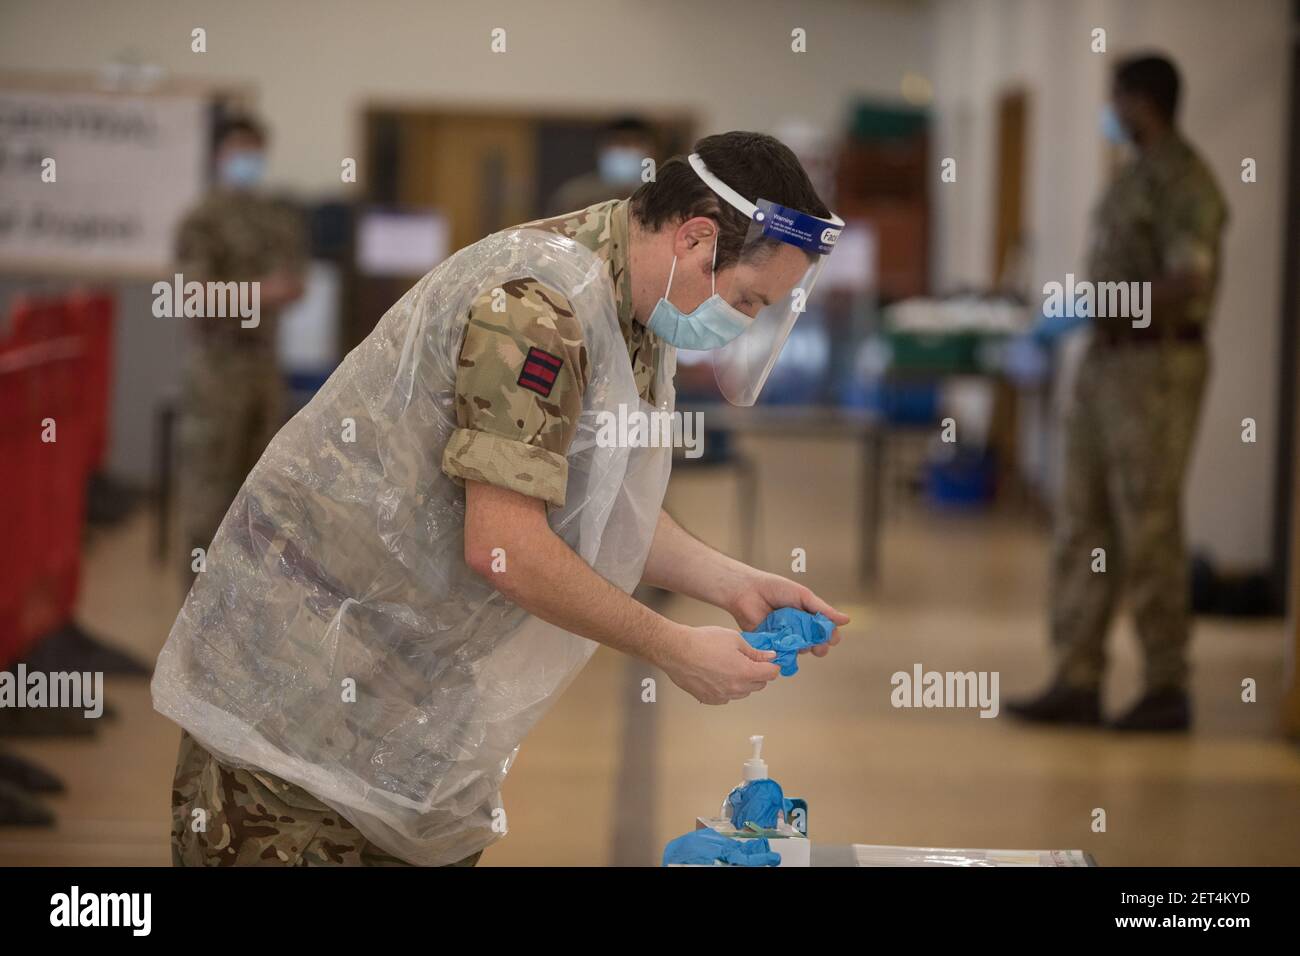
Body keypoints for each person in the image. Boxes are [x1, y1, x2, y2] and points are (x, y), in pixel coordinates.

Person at [154, 130, 850, 866]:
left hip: (411, 687)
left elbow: (599, 500)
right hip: (308, 697)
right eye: (745, 298)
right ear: (696, 237)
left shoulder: (636, 307)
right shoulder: (538, 307)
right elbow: (504, 545)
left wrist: (734, 584)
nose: (740, 321)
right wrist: (673, 647)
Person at [1009, 54, 1228, 732]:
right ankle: (1077, 675)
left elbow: (1188, 281)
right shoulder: (1131, 177)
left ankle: (1167, 685)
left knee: (1149, 526)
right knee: (1081, 522)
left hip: (1155, 372)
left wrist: (1103, 304)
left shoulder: (1186, 181)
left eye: (1114, 101)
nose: (1109, 114)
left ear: (1141, 102)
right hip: (1105, 368)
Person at [174, 115, 306, 575]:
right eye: (239, 151)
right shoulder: (203, 220)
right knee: (210, 495)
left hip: (263, 367)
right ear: (219, 154)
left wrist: (280, 290)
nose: (247, 161)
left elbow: (295, 281)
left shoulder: (273, 218)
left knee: (261, 494)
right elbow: (190, 295)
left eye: (255, 151)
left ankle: (244, 609)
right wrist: (260, 292)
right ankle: (195, 616)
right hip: (216, 370)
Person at [547, 116, 657, 215]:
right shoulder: (575, 196)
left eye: (635, 144)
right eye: (619, 142)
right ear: (602, 149)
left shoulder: (661, 194)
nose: (626, 150)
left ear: (652, 150)